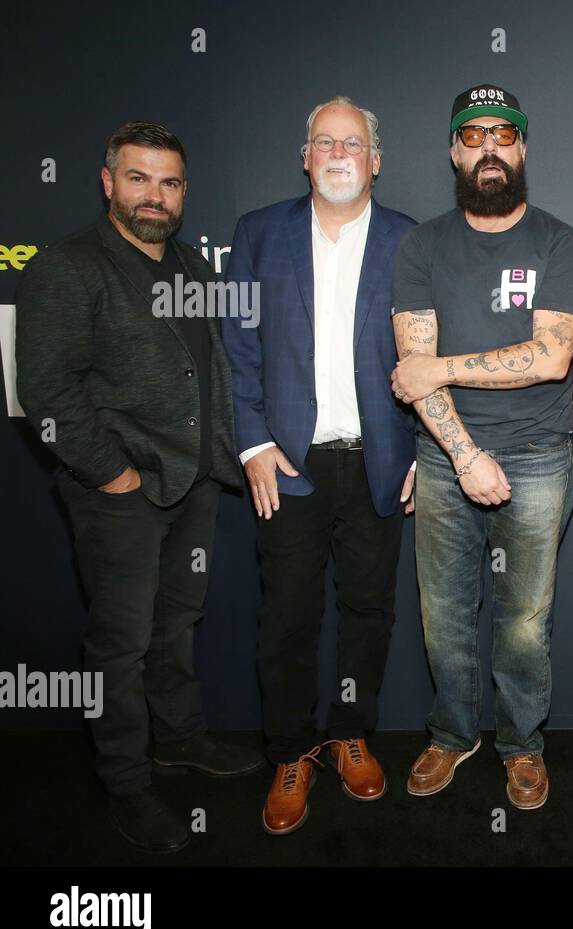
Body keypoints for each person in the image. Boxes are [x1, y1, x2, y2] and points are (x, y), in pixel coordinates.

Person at [16, 122, 261, 852]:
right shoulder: (68, 266)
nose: (154, 195)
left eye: (169, 182)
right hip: (117, 492)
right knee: (119, 645)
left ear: (184, 191)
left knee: (175, 625)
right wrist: (112, 474)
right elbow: (47, 392)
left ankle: (179, 740)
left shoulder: (193, 267)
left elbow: (213, 373)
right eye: (139, 178)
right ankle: (126, 781)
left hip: (191, 488)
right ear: (107, 182)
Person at [388, 84, 573, 812]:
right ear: (453, 151)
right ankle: (451, 733)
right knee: (443, 613)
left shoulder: (558, 242)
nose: (489, 148)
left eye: (503, 135)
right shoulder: (422, 244)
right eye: (473, 137)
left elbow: (550, 357)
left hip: (539, 457)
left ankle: (523, 746)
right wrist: (466, 455)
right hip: (444, 457)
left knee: (526, 619)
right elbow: (412, 365)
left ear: (523, 149)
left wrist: (438, 370)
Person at [223, 96, 417, 835]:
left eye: (354, 143)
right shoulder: (257, 233)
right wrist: (250, 442)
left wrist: (421, 452)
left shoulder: (409, 239)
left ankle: (350, 733)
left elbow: (426, 358)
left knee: (369, 612)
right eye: (325, 142)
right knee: (288, 618)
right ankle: (291, 751)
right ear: (305, 155)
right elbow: (237, 347)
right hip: (288, 464)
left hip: (379, 461)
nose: (340, 153)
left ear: (376, 159)